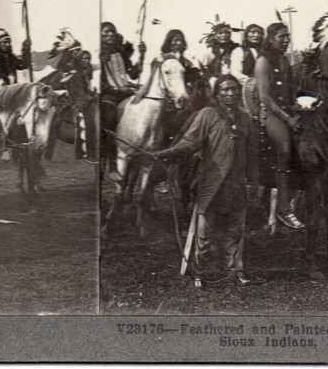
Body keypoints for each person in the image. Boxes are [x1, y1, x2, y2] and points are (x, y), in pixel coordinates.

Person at [143, 75, 259, 286]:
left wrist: (253, 181)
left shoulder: (245, 118)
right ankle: (199, 271)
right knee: (204, 232)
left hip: (236, 184)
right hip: (211, 183)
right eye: (224, 90)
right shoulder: (207, 115)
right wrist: (169, 153)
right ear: (217, 94)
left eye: (233, 89)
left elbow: (252, 153)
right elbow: (189, 142)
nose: (230, 94)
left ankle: (235, 270)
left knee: (235, 230)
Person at [254, 22, 304, 230]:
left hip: (287, 111)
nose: (286, 40)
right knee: (284, 148)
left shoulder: (284, 59)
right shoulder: (263, 62)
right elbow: (265, 97)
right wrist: (287, 117)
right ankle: (283, 208)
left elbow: (290, 91)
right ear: (271, 38)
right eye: (281, 36)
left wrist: (297, 107)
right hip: (272, 114)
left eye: (288, 36)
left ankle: (295, 195)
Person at [100, 22, 143, 98]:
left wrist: (142, 56)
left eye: (113, 31)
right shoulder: (98, 55)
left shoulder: (121, 54)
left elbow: (134, 75)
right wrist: (116, 89)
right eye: (107, 32)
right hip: (108, 95)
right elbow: (99, 83)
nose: (110, 34)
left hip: (125, 90)